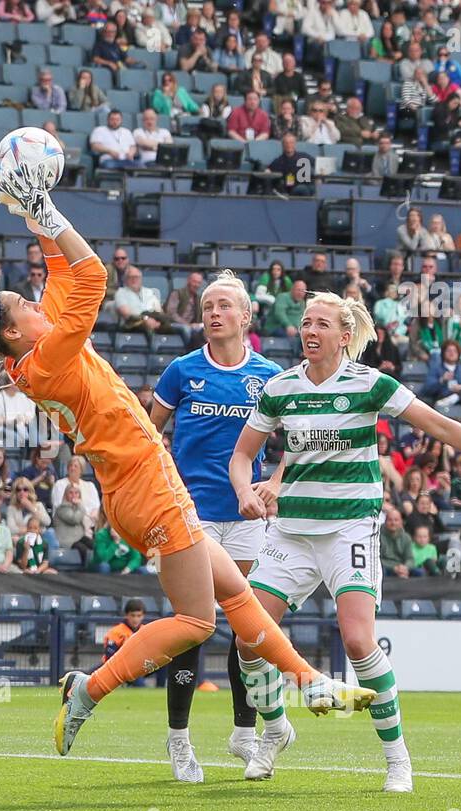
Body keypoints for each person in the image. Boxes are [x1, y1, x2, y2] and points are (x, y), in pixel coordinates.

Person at [0, 178, 373, 770]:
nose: (34, 303)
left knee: (236, 595)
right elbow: (92, 276)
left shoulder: (34, 350)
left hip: (138, 484)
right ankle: (89, 690)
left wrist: (37, 219)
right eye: (23, 306)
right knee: (195, 621)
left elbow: (61, 272)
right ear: (12, 332)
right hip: (146, 483)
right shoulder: (50, 353)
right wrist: (49, 210)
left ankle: (311, 682)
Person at [230, 289, 461, 791]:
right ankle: (275, 731)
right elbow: (243, 455)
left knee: (357, 640)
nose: (310, 331)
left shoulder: (370, 384)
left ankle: (398, 759)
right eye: (306, 322)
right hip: (289, 534)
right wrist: (245, 490)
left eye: (322, 324)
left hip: (350, 528)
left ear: (345, 335)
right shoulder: (279, 387)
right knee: (250, 638)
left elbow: (437, 424)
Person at [148, 269, 283, 780]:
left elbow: (292, 443)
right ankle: (179, 740)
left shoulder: (269, 375)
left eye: (224, 305)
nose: (213, 312)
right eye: (207, 306)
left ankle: (243, 733)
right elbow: (147, 433)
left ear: (245, 316)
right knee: (192, 628)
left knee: (245, 629)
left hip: (247, 518)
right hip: (191, 517)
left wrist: (273, 483)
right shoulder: (182, 371)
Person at [102, 600, 146, 671]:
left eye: (139, 616)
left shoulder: (145, 630)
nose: (135, 619)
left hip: (140, 665)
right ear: (126, 615)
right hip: (120, 667)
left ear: (143, 616)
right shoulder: (116, 632)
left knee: (163, 664)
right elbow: (109, 656)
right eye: (132, 615)